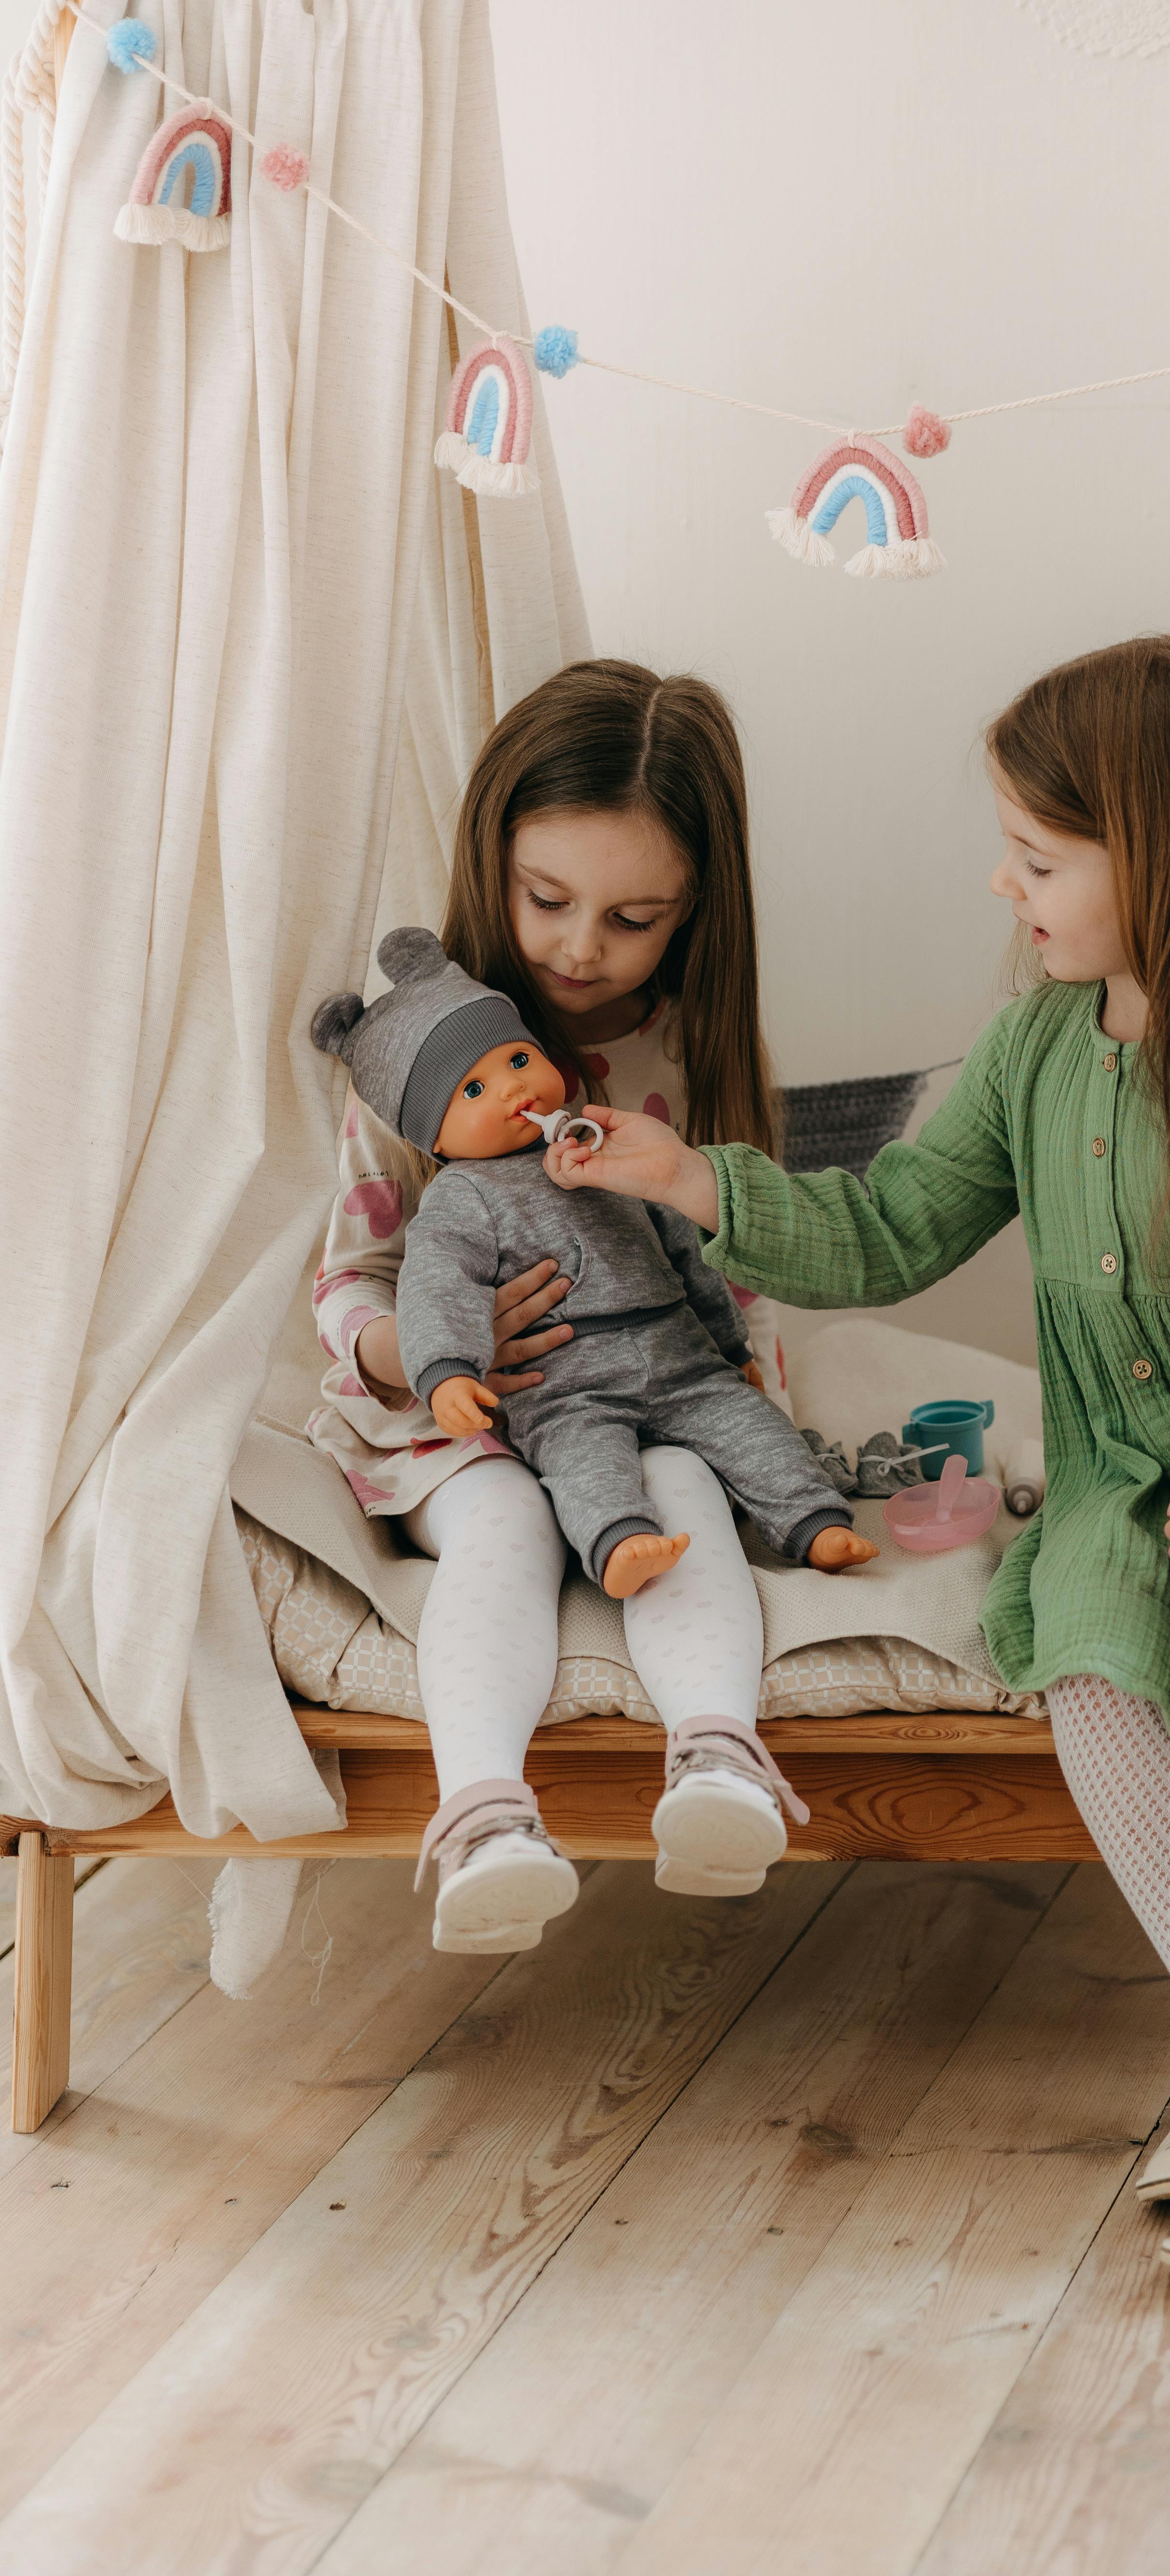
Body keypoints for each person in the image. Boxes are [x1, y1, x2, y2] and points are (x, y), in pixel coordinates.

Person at [550, 635, 1170, 2292]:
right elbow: (886, 1230)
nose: (1002, 882)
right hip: (1119, 1474)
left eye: (1038, 856)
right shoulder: (1031, 1055)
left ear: (1166, 860)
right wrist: (692, 1180)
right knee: (1088, 1674)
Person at [307, 663, 808, 1953]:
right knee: (504, 1520)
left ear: (697, 913)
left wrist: (745, 1393)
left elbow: (735, 1277)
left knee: (688, 1498)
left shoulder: (699, 1059)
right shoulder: (424, 1048)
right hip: (469, 1416)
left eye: (635, 917)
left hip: (649, 1395)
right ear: (498, 866)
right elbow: (350, 1278)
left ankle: (720, 1765)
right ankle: (482, 1816)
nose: (581, 948)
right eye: (547, 902)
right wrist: (423, 1357)